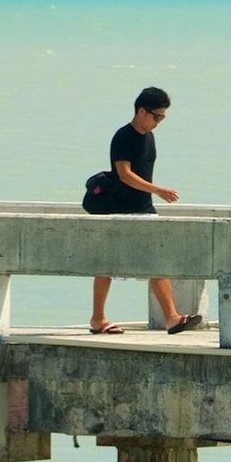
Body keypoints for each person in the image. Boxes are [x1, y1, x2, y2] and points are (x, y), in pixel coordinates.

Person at [87, 87, 202, 336]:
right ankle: (98, 319)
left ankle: (171, 318)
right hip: (121, 211)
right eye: (156, 117)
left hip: (144, 209)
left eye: (162, 118)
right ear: (142, 111)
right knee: (107, 265)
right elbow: (124, 174)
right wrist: (158, 189)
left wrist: (152, 195)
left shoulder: (149, 137)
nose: (158, 122)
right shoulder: (123, 137)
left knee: (157, 262)